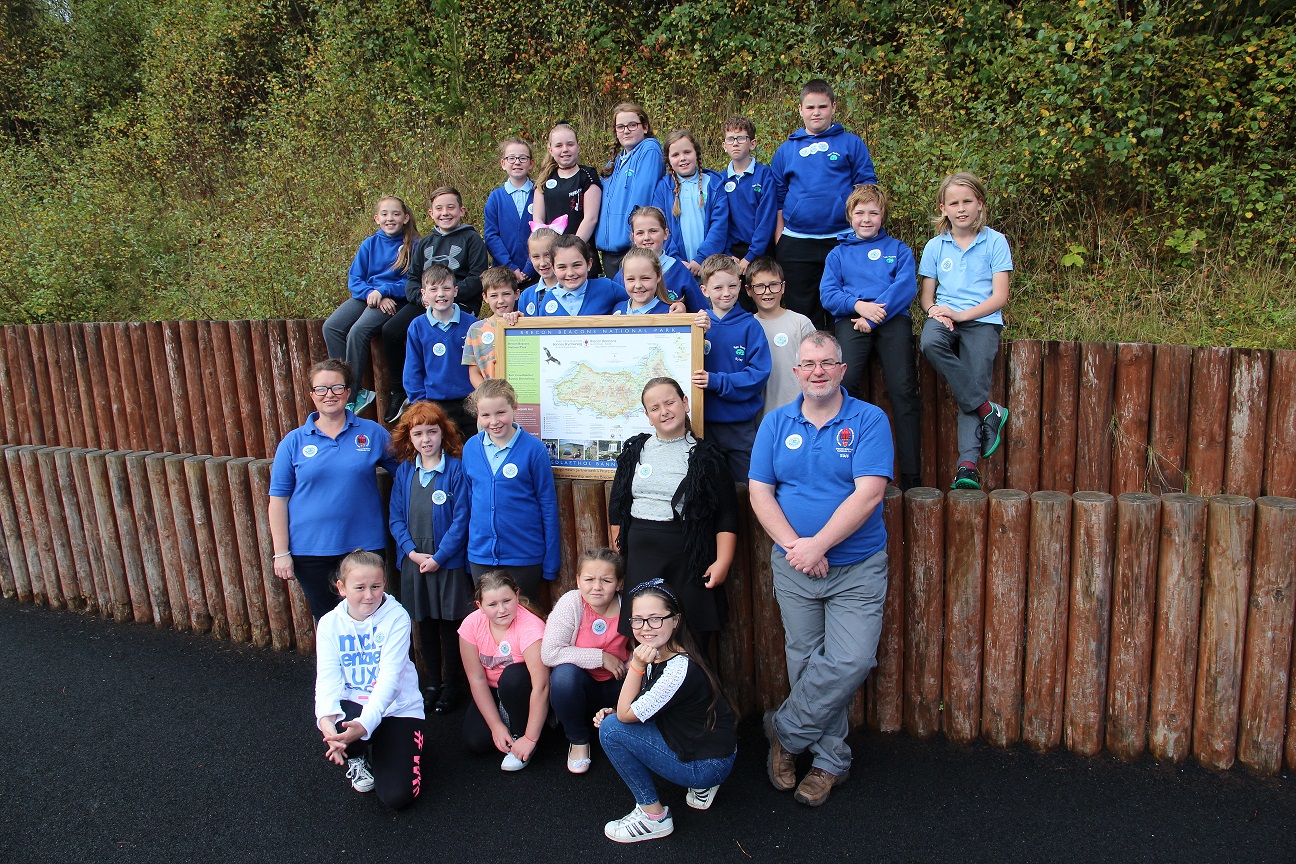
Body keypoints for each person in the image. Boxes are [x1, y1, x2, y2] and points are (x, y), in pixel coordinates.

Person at [747, 331, 892, 807]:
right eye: (808, 364)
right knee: (806, 662)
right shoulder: (775, 423)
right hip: (794, 565)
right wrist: (797, 548)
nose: (818, 371)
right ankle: (830, 760)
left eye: (827, 363)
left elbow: (869, 493)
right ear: (796, 372)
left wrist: (820, 545)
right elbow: (760, 492)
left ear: (842, 369)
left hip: (857, 566)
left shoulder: (869, 420)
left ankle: (785, 732)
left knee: (852, 660)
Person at [594, 579, 737, 843]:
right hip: (707, 746)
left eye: (655, 619)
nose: (645, 628)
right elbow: (638, 704)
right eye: (638, 620)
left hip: (708, 764)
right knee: (615, 720)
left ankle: (654, 818)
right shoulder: (661, 651)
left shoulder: (676, 669)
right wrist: (614, 710)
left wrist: (636, 666)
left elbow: (626, 716)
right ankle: (703, 786)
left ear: (676, 620)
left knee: (612, 730)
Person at [608, 377, 736, 657]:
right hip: (642, 558)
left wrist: (723, 562)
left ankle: (694, 686)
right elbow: (617, 507)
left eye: (670, 402)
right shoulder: (635, 451)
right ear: (648, 416)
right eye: (655, 408)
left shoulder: (707, 457)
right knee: (646, 640)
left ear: (685, 403)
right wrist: (620, 554)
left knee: (692, 642)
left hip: (688, 557)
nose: (664, 411)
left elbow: (726, 514)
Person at [268, 359, 400, 621]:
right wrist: (281, 552)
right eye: (321, 389)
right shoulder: (293, 441)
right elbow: (278, 500)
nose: (329, 394)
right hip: (310, 549)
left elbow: (407, 472)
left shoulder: (372, 433)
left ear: (348, 392)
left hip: (363, 547)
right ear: (312, 395)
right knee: (328, 621)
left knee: (369, 616)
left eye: (337, 387)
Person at [820, 183, 922, 490]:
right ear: (850, 216)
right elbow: (828, 294)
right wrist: (858, 306)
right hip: (852, 319)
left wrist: (875, 316)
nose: (866, 219)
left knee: (903, 389)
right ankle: (851, 470)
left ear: (883, 216)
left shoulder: (898, 250)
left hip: (891, 318)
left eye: (874, 213)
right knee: (845, 384)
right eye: (860, 212)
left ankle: (912, 478)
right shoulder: (838, 254)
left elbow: (905, 287)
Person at [918, 171, 1011, 491]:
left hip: (983, 319)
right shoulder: (935, 246)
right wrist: (935, 312)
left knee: (973, 380)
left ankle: (967, 466)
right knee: (930, 343)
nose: (961, 209)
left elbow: (1000, 296)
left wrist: (962, 315)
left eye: (967, 201)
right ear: (942, 208)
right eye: (954, 203)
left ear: (980, 204)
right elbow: (926, 297)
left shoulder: (995, 241)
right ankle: (988, 410)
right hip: (944, 318)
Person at [314, 550, 424, 809]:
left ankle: (395, 743)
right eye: (359, 587)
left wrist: (365, 725)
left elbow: (390, 680)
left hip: (398, 708)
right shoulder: (329, 624)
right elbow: (327, 679)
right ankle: (357, 755)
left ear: (384, 583)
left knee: (397, 797)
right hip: (354, 704)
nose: (369, 595)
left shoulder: (397, 617)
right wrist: (326, 723)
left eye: (375, 586)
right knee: (339, 729)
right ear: (342, 588)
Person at [770, 79, 877, 328]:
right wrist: (780, 239)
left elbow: (867, 189)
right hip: (797, 243)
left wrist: (862, 235)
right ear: (800, 110)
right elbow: (778, 199)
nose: (816, 112)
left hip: (843, 239)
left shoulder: (851, 143)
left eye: (822, 106)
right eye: (810, 107)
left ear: (833, 107)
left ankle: (844, 354)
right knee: (804, 315)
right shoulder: (786, 150)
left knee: (846, 309)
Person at [388, 400, 471, 715]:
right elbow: (396, 517)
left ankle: (452, 685)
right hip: (415, 561)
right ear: (409, 437)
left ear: (443, 433)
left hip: (447, 561)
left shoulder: (455, 469)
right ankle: (432, 683)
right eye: (418, 433)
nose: (426, 439)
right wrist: (410, 551)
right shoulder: (405, 472)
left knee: (450, 624)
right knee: (424, 624)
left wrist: (440, 556)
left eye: (432, 432)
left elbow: (462, 518)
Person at [383, 186, 489, 413]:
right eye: (439, 208)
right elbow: (413, 279)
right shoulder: (425, 243)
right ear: (431, 213)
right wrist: (422, 299)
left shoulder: (472, 239)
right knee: (391, 331)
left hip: (461, 301)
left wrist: (451, 293)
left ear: (461, 211)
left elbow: (478, 277)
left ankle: (464, 392)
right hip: (427, 300)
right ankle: (399, 391)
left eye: (451, 207)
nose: (445, 213)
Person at [460, 379, 560, 601]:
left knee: (522, 614)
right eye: (485, 415)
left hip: (524, 557)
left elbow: (548, 506)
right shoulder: (471, 448)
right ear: (477, 415)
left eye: (500, 413)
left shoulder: (534, 450)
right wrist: (468, 552)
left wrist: (551, 560)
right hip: (481, 556)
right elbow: (468, 501)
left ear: (514, 407)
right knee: (488, 615)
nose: (494, 421)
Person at [323, 196, 419, 416]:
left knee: (358, 331)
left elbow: (412, 282)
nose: (390, 218)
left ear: (405, 218)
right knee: (331, 327)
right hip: (367, 296)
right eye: (384, 214)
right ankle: (341, 383)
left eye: (395, 214)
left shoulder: (413, 245)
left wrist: (384, 292)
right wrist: (371, 294)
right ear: (377, 218)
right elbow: (355, 279)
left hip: (394, 299)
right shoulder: (369, 244)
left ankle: (351, 394)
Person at [540, 548, 631, 774]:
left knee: (649, 673)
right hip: (582, 688)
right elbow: (550, 653)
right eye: (589, 579)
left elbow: (643, 648)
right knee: (563, 676)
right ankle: (578, 739)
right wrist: (600, 657)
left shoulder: (629, 605)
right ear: (578, 580)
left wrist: (631, 668)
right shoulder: (571, 603)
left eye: (606, 580)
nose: (597, 587)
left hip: (621, 683)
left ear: (619, 583)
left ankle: (621, 726)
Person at [458, 570, 550, 771]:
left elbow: (542, 686)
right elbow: (476, 679)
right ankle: (505, 722)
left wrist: (530, 738)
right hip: (493, 689)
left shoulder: (531, 628)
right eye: (492, 604)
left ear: (517, 595)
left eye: (507, 601)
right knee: (476, 741)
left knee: (513, 677)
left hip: (521, 688)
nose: (501, 610)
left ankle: (523, 734)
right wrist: (495, 726)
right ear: (480, 606)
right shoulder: (471, 625)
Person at [690, 254, 771, 483]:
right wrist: (699, 336)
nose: (726, 293)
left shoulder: (751, 326)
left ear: (741, 286)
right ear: (705, 290)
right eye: (718, 287)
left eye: (732, 286)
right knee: (710, 490)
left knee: (747, 488)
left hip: (740, 427)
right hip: (703, 425)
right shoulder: (696, 325)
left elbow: (758, 374)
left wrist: (716, 381)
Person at [402, 263, 477, 440]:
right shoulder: (417, 326)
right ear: (424, 294)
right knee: (444, 451)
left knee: (470, 449)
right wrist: (422, 405)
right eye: (434, 289)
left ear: (455, 291)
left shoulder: (472, 324)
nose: (441, 294)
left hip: (469, 403)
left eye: (446, 288)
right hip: (435, 404)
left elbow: (481, 365)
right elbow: (412, 370)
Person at [595, 102, 664, 277]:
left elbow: (642, 195)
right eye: (620, 127)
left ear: (645, 127)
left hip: (631, 248)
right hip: (610, 252)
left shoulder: (649, 149)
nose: (626, 131)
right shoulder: (615, 162)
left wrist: (635, 236)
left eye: (632, 125)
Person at [745, 256, 815, 419]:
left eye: (773, 285)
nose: (767, 291)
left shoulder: (800, 323)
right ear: (748, 290)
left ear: (783, 287)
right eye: (759, 286)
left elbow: (814, 366)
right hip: (761, 416)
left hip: (800, 412)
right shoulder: (746, 326)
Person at [650, 129, 729, 276]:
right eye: (675, 155)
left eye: (687, 152)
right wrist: (675, 260)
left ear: (696, 153)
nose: (682, 158)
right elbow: (659, 227)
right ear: (668, 159)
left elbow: (719, 225)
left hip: (711, 266)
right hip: (676, 267)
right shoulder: (663, 188)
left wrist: (701, 258)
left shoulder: (714, 184)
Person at [614, 206, 708, 312]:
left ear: (666, 234)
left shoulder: (680, 271)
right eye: (640, 233)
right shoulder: (624, 273)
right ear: (633, 237)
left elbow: (701, 311)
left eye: (653, 231)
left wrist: (683, 311)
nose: (646, 237)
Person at [720, 115, 777, 274]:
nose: (735, 143)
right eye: (730, 139)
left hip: (761, 251)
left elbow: (766, 219)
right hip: (732, 254)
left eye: (741, 138)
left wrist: (751, 256)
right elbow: (720, 220)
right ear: (724, 146)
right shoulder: (720, 180)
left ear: (752, 143)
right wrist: (727, 253)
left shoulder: (764, 175)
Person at [532, 122, 602, 245]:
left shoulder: (587, 175)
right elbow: (538, 220)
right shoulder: (544, 179)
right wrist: (549, 248)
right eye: (559, 145)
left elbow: (591, 219)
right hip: (551, 249)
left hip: (581, 248)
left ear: (578, 146)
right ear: (550, 150)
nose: (565, 149)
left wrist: (573, 248)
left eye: (570, 144)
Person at [517, 235, 622, 317]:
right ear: (553, 269)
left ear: (589, 264)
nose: (570, 273)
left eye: (576, 265)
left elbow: (630, 303)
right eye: (562, 267)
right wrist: (516, 319)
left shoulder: (606, 287)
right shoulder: (549, 298)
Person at [483, 138, 537, 287]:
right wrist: (510, 267)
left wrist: (531, 267)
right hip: (504, 275)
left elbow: (545, 231)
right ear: (503, 163)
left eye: (523, 158)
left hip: (536, 272)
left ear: (531, 163)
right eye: (511, 158)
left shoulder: (540, 193)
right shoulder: (495, 198)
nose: (517, 162)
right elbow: (491, 235)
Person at [462, 266, 519, 387]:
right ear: (485, 297)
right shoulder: (475, 330)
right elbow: (473, 373)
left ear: (516, 294)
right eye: (494, 295)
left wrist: (521, 322)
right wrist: (487, 394)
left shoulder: (525, 326)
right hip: (489, 394)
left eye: (506, 294)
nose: (500, 300)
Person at [612, 247, 675, 315]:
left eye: (645, 278)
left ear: (658, 277)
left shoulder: (670, 312)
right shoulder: (617, 309)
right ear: (623, 278)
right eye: (631, 279)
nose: (638, 285)